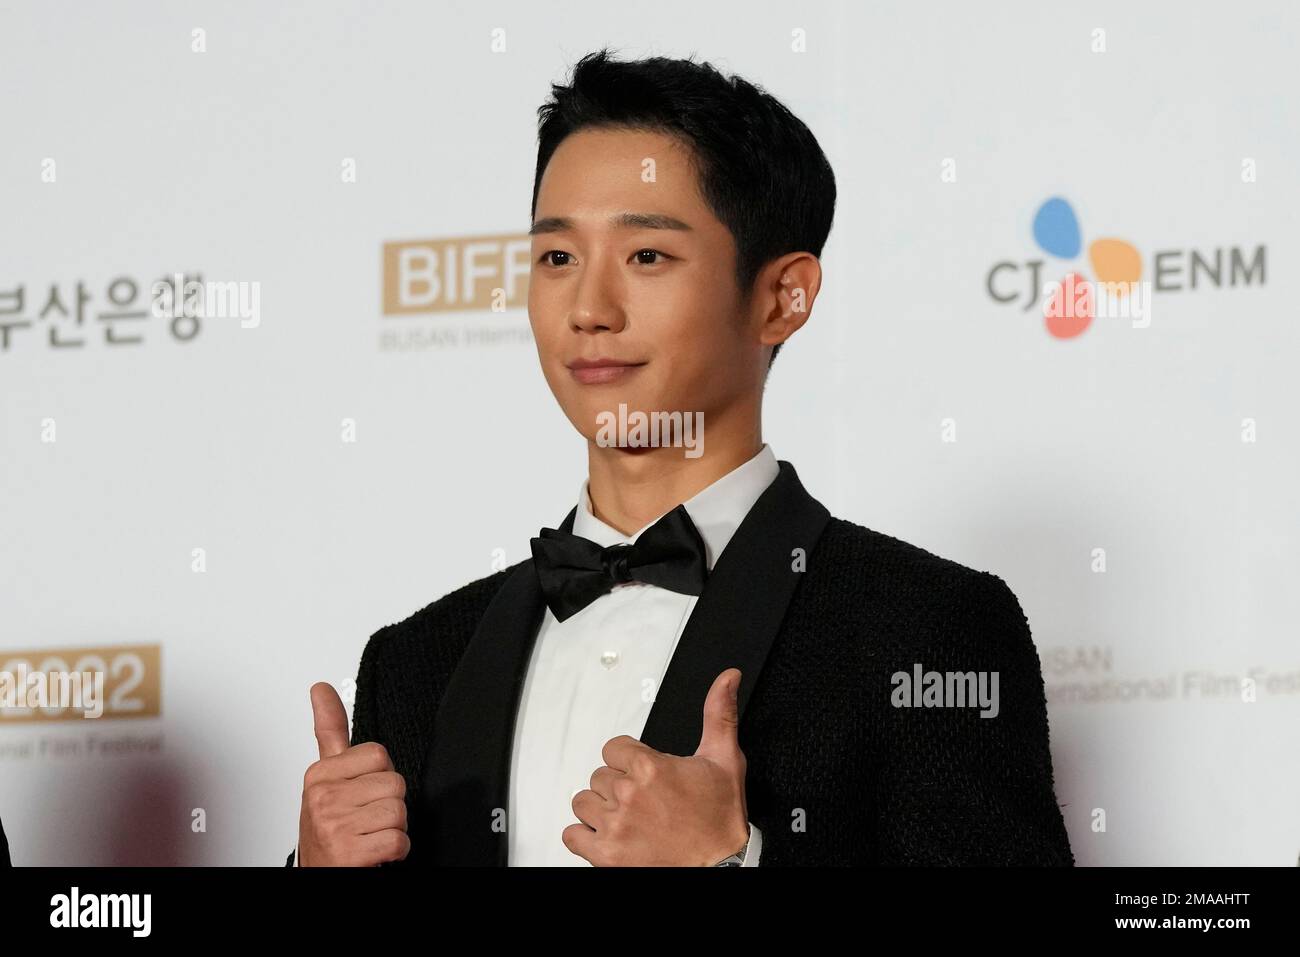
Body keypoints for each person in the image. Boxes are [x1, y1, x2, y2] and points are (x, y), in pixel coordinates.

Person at [290, 48, 1073, 867]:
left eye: (647, 257)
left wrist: (730, 862)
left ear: (781, 297)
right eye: (557, 258)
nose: (588, 309)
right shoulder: (417, 661)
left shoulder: (926, 628)